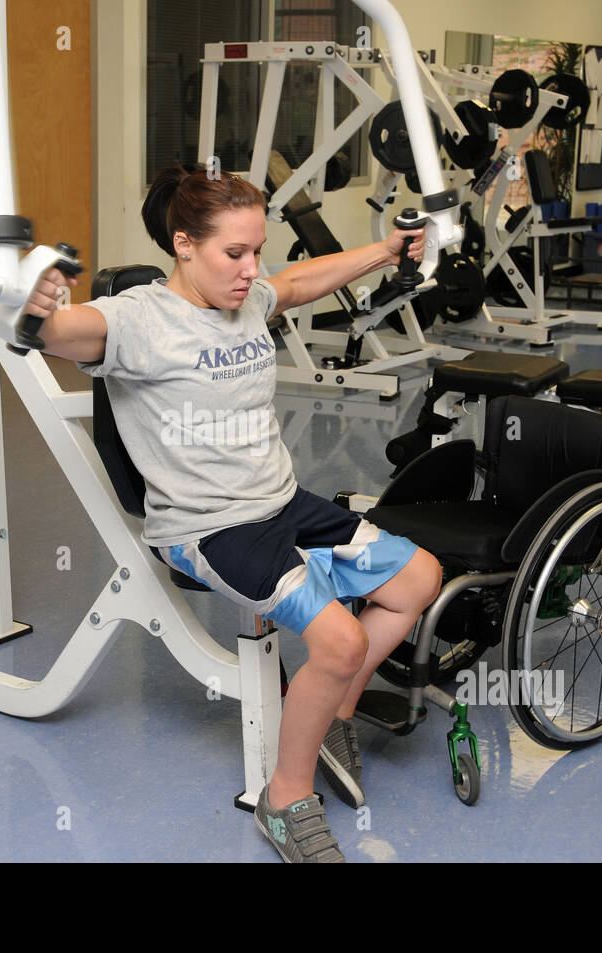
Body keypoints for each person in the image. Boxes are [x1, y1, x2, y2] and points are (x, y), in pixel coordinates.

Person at [24, 165, 443, 863]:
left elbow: (305, 280)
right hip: (210, 528)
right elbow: (65, 331)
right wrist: (36, 311)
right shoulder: (139, 318)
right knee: (338, 642)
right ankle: (285, 797)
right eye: (234, 253)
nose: (252, 270)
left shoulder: (245, 298)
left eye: (257, 251)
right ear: (183, 244)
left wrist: (387, 251)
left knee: (417, 579)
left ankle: (332, 716)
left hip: (282, 502)